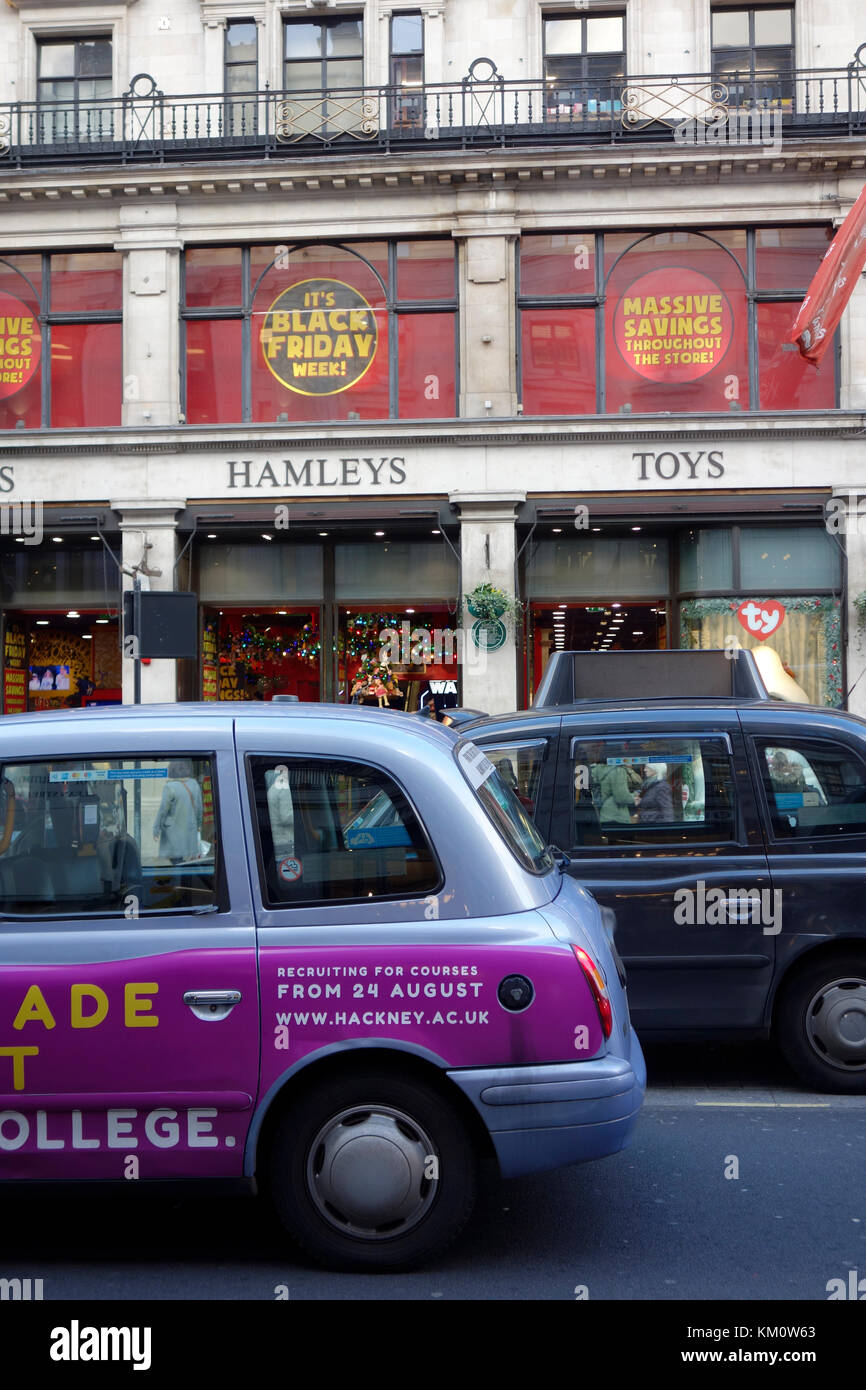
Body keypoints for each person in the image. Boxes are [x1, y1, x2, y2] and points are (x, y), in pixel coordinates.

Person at [152, 759, 202, 864]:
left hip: (173, 832)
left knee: (176, 861)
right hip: (190, 830)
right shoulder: (194, 785)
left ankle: (179, 880)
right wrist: (198, 825)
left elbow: (163, 811)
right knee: (189, 863)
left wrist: (156, 829)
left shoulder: (170, 787)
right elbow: (199, 808)